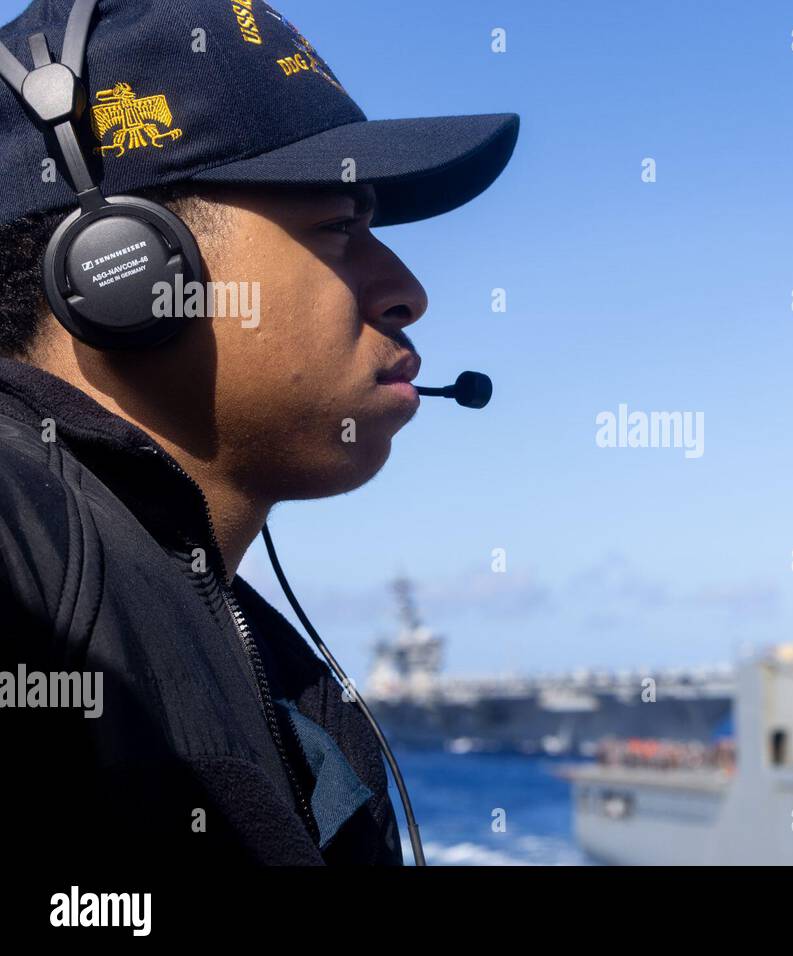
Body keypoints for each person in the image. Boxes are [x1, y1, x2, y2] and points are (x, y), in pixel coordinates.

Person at [0, 0, 518, 864]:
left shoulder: (268, 667)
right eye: (339, 227)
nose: (407, 291)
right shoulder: (20, 540)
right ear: (120, 265)